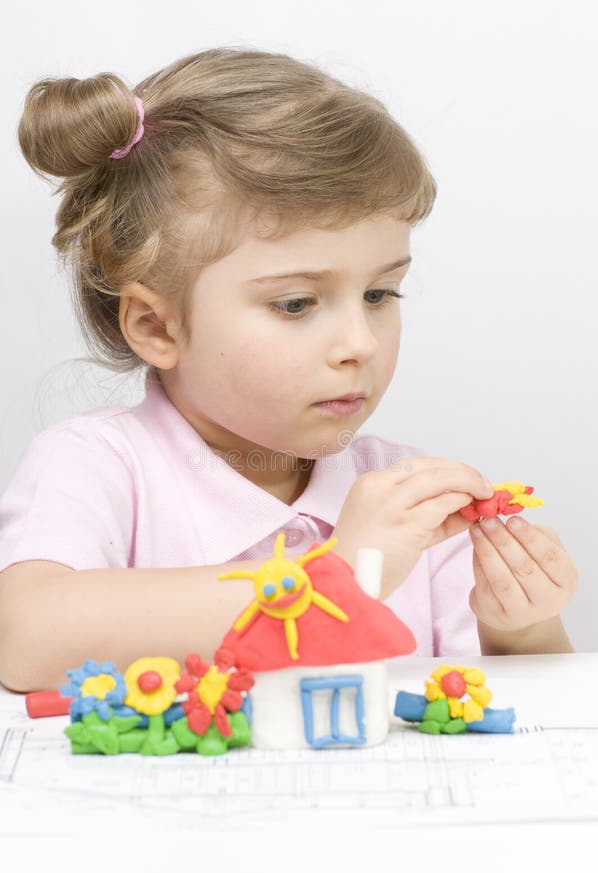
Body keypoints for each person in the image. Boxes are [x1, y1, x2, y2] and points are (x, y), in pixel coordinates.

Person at [0, 48, 577, 692]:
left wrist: (522, 630)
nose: (359, 342)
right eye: (296, 303)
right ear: (156, 326)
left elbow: (523, 717)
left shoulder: (404, 503)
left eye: (380, 295)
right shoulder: (98, 465)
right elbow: (27, 638)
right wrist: (331, 579)